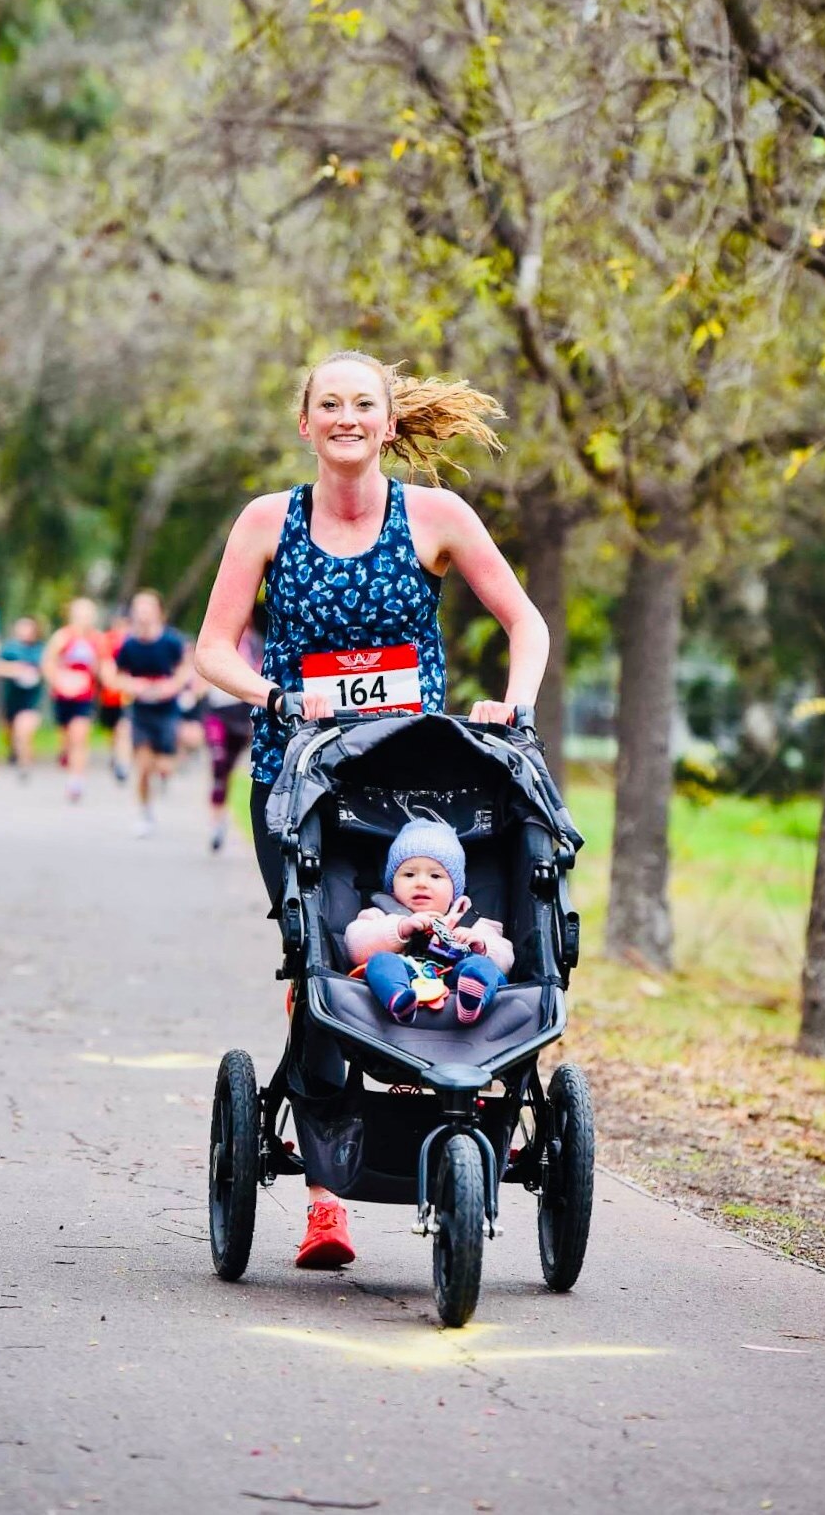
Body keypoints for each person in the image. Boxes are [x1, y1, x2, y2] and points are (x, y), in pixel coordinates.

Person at [194, 348, 549, 1272]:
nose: (347, 417)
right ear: (304, 424)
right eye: (330, 404)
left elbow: (527, 623)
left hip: (419, 793)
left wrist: (516, 701)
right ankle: (324, 1198)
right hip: (300, 784)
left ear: (389, 424)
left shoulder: (434, 516)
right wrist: (274, 696)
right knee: (320, 955)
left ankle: (472, 1111)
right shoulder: (268, 521)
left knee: (450, 937)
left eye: (364, 404)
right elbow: (212, 650)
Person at [344, 819, 513, 1025]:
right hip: (406, 980)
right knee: (380, 962)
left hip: (454, 987)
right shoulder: (381, 916)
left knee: (481, 967)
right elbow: (355, 947)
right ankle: (398, 1000)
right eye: (409, 874)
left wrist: (481, 947)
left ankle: (471, 1003)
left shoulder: (470, 922)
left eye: (435, 876)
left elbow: (506, 958)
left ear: (454, 890)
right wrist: (398, 930)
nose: (421, 883)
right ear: (392, 886)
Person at [106, 590, 192, 837]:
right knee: (142, 766)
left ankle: (165, 774)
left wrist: (171, 687)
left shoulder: (171, 642)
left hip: (167, 711)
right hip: (141, 711)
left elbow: (185, 669)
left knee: (163, 766)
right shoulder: (129, 645)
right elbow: (117, 676)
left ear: (158, 612)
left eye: (147, 607)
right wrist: (134, 686)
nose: (142, 613)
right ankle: (144, 812)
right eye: (138, 608)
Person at [198, 615, 264, 853]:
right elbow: (199, 668)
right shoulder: (212, 640)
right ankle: (215, 821)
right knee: (218, 763)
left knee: (228, 767)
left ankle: (221, 814)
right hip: (217, 711)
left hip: (242, 714)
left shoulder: (256, 644)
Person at [41, 598, 105, 802]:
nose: (83, 618)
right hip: (62, 695)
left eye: (87, 614)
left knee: (80, 736)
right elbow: (48, 662)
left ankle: (76, 781)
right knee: (67, 738)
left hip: (84, 696)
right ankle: (65, 754)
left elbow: (102, 667)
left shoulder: (97, 639)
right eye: (80, 613)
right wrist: (59, 682)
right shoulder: (62, 636)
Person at [0, 617, 44, 778]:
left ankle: (25, 764)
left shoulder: (40, 650)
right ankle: (13, 751)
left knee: (24, 731)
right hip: (12, 699)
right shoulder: (10, 649)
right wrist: (15, 670)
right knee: (10, 732)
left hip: (31, 701)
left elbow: (47, 667)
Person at [100, 606, 133, 783]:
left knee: (124, 728)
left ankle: (123, 763)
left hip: (128, 695)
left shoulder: (134, 640)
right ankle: (116, 754)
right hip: (110, 694)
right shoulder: (108, 640)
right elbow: (105, 664)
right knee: (113, 729)